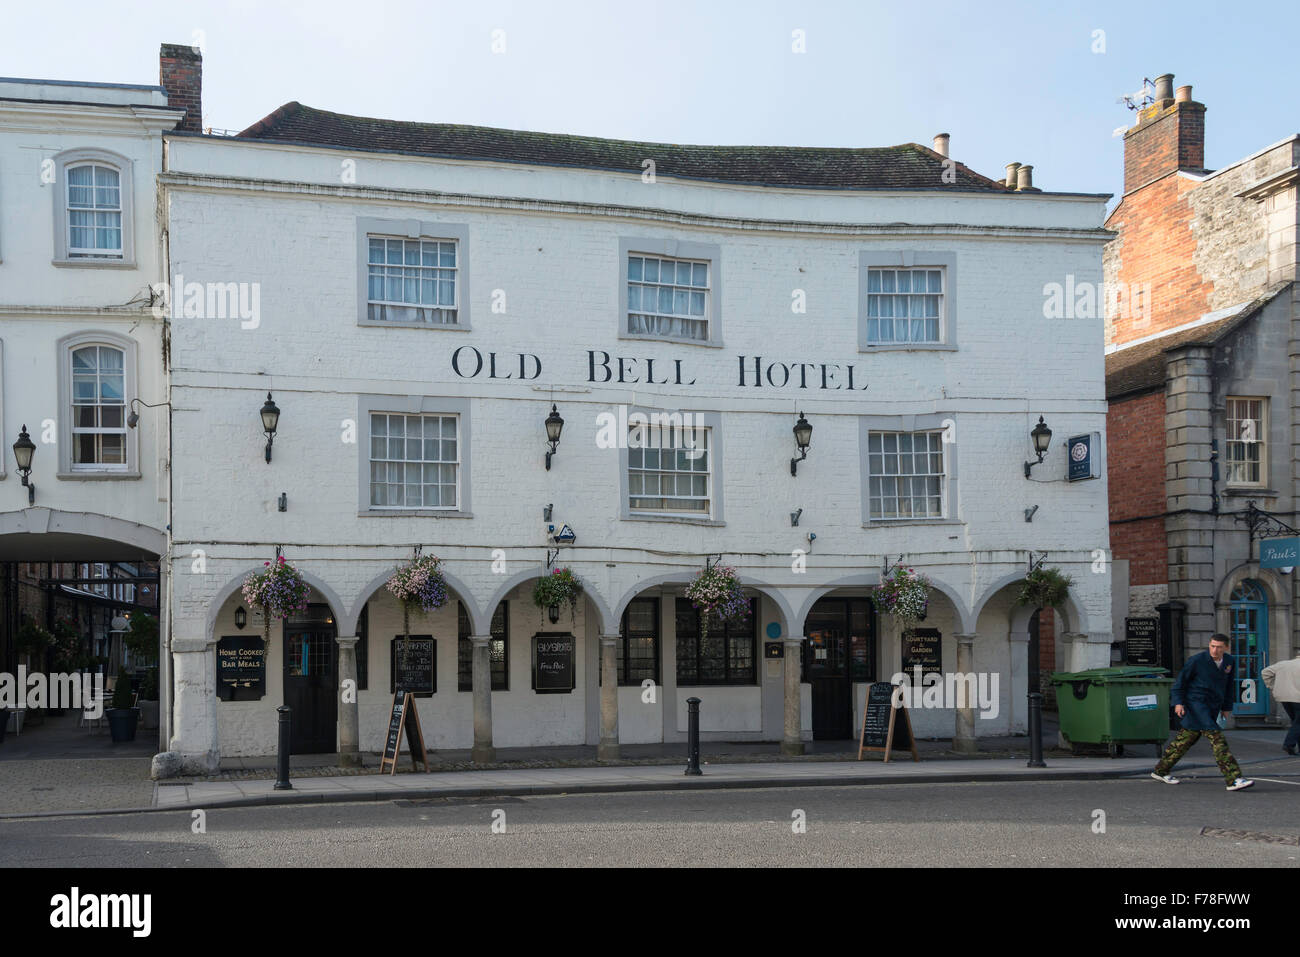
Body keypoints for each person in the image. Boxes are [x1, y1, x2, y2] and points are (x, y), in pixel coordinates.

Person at [1151, 634, 1253, 790]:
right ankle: (1234, 778)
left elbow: (1228, 687)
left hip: (1213, 706)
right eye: (1212, 646)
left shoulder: (1229, 662)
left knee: (1184, 741)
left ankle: (1160, 770)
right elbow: (1180, 683)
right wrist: (1178, 703)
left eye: (1219, 647)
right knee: (1217, 739)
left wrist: (1226, 708)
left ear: (1226, 647)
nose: (1214, 650)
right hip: (1196, 705)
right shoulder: (1197, 660)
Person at [1261, 650, 1300, 756]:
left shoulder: (1283, 664)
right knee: (1298, 723)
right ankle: (1289, 744)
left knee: (1296, 722)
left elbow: (1265, 672)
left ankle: (1293, 747)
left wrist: (1272, 686)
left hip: (1284, 697)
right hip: (1298, 698)